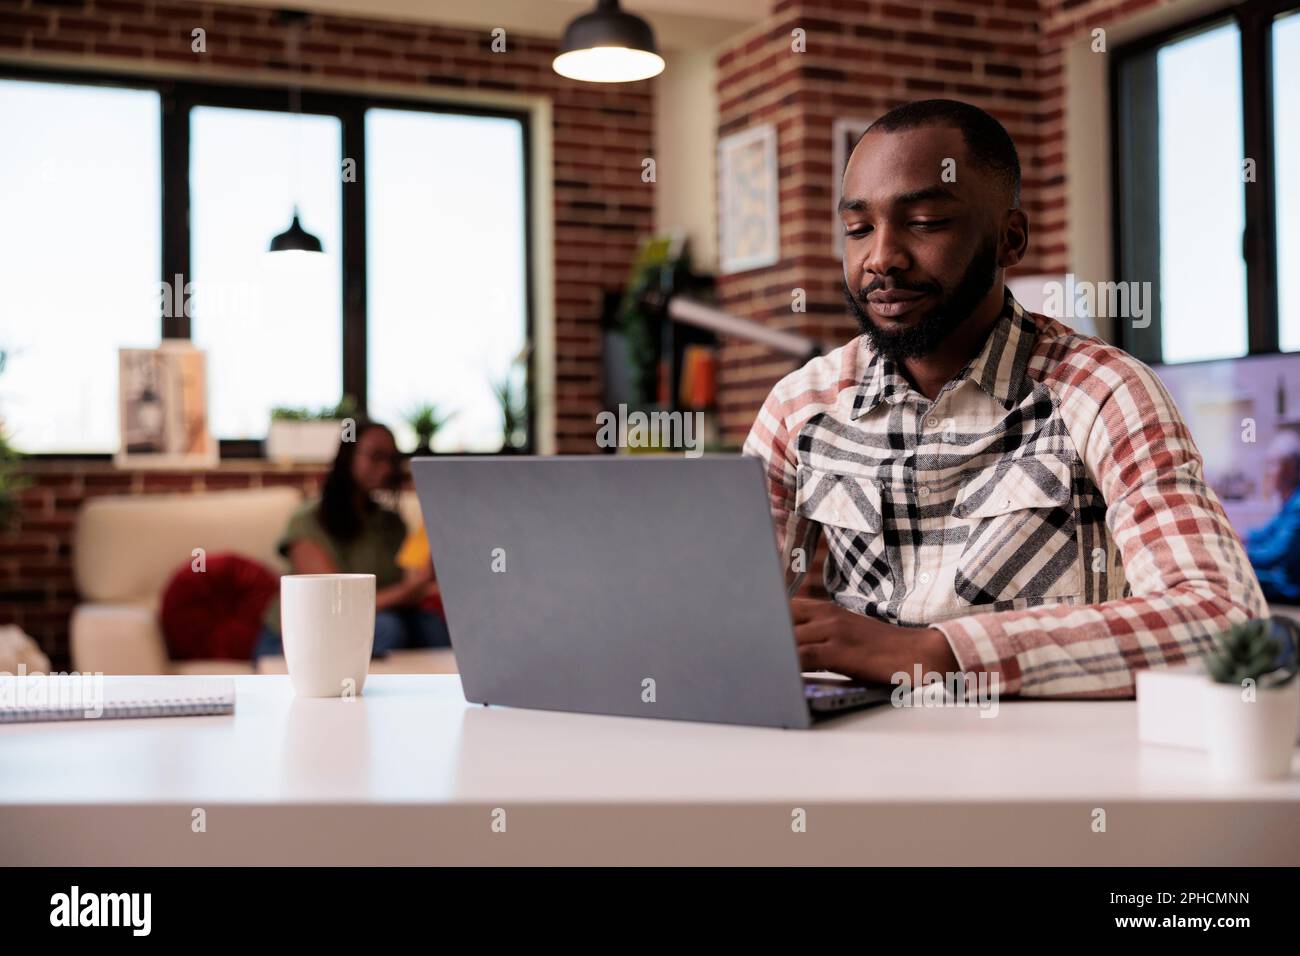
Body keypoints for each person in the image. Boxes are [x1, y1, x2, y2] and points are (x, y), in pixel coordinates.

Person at [743, 99, 1267, 698]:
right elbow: (721, 613)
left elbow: (1221, 617)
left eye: (925, 223)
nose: (881, 257)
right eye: (859, 229)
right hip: (852, 767)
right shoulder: (801, 408)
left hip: (1052, 777)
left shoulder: (1103, 391)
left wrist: (937, 654)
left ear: (1008, 240)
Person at [253, 419, 449, 660]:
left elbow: (410, 586)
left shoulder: (391, 523)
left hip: (374, 620)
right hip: (300, 636)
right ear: (348, 457)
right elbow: (337, 605)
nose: (387, 468)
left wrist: (426, 580)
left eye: (391, 459)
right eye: (376, 457)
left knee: (432, 627)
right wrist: (409, 590)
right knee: (387, 628)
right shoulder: (307, 521)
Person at [1246, 431, 1300, 605]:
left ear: (1290, 470)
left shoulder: (1297, 506)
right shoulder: (1291, 502)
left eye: (1273, 465)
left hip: (1290, 588)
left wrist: (1240, 554)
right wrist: (1236, 537)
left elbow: (1275, 554)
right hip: (1282, 579)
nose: (1268, 472)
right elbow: (1266, 533)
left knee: (1234, 576)